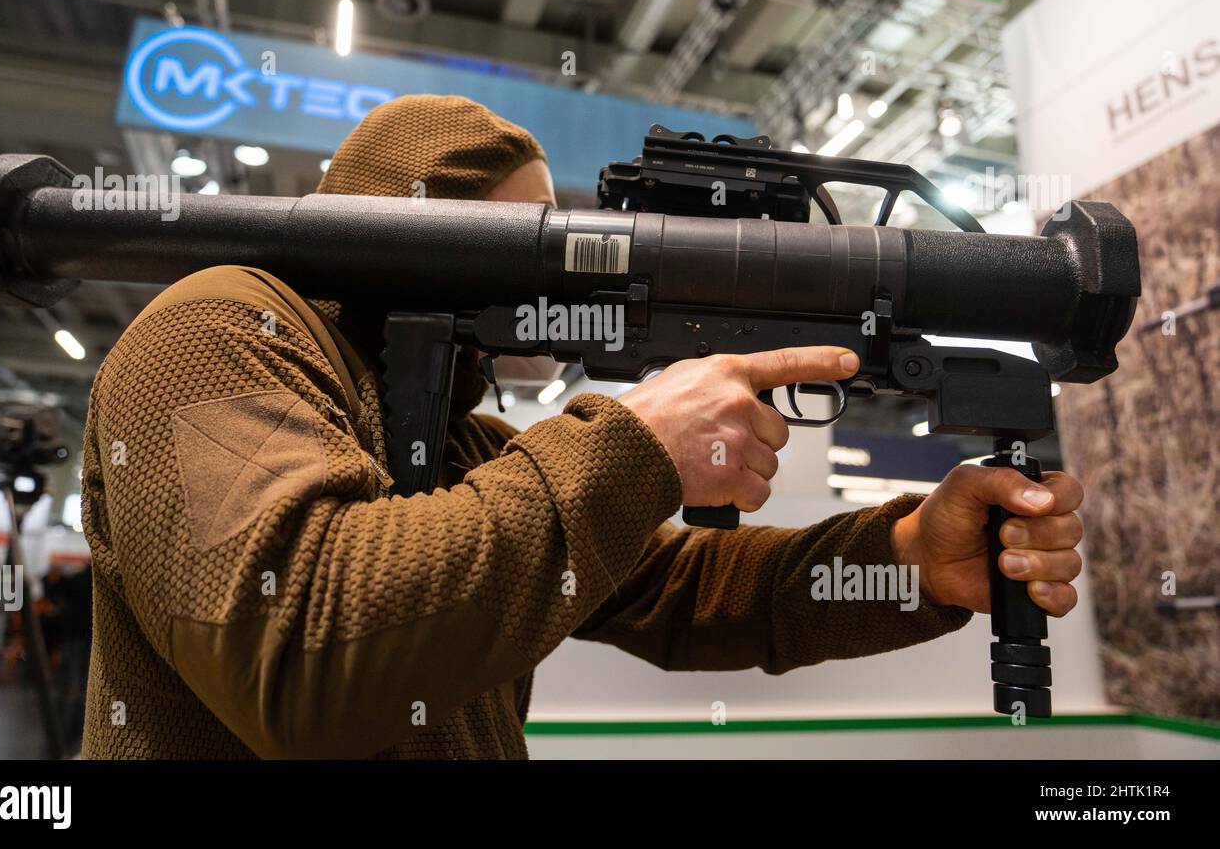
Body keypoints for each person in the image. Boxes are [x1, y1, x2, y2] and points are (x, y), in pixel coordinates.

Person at [79, 95, 1084, 759]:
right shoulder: (211, 327)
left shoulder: (442, 435)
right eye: (528, 236)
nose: (556, 269)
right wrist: (636, 440)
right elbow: (301, 648)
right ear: (418, 235)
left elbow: (683, 592)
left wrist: (906, 553)